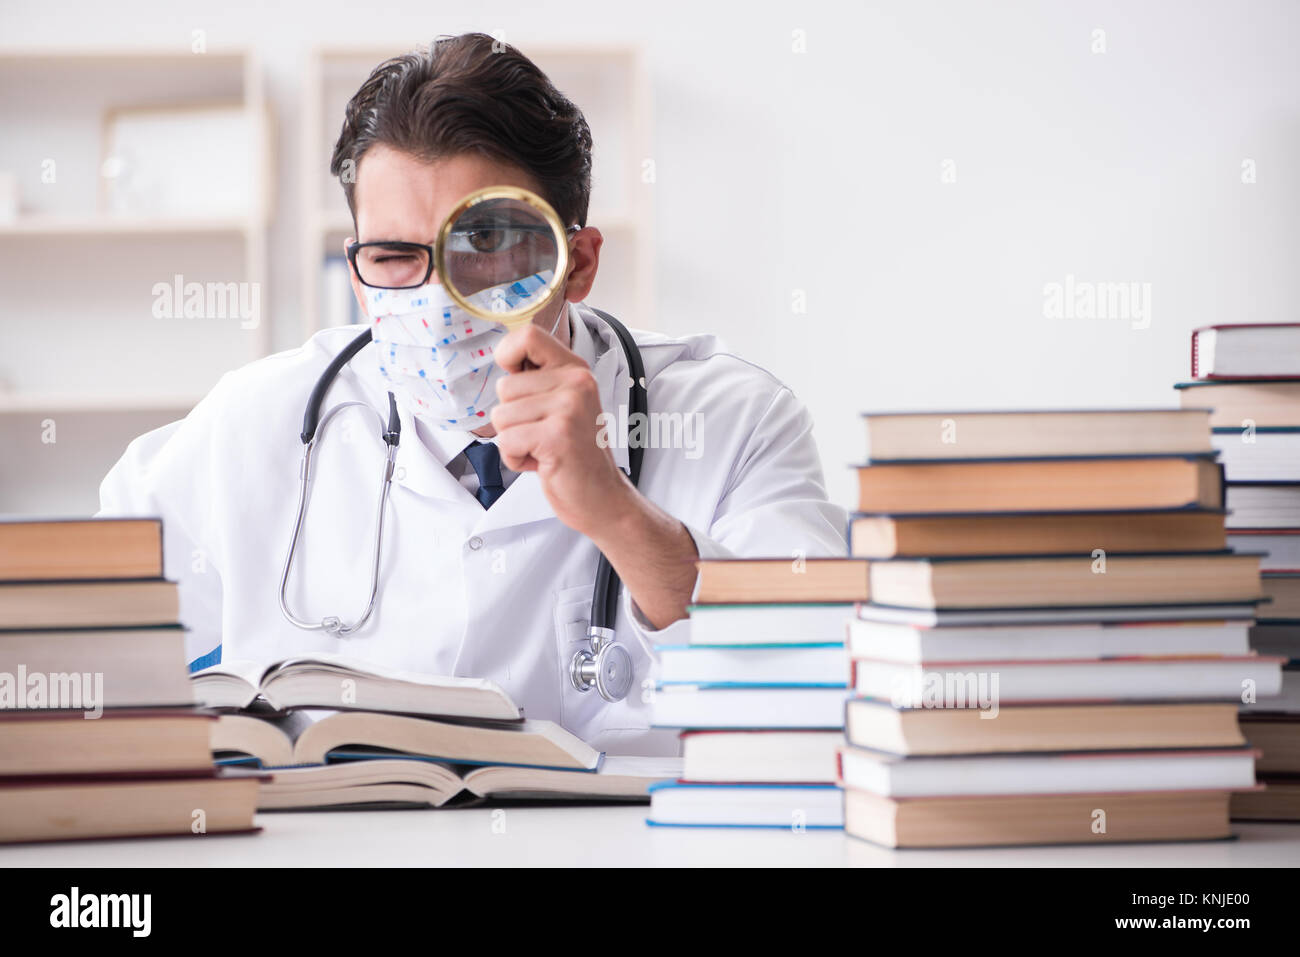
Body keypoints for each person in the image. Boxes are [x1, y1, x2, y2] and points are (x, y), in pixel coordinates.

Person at [98, 33, 846, 755]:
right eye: (393, 256)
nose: (435, 299)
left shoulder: (737, 419)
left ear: (577, 263)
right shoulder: (254, 423)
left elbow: (821, 682)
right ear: (356, 267)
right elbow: (88, 652)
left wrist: (615, 509)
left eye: (483, 245)